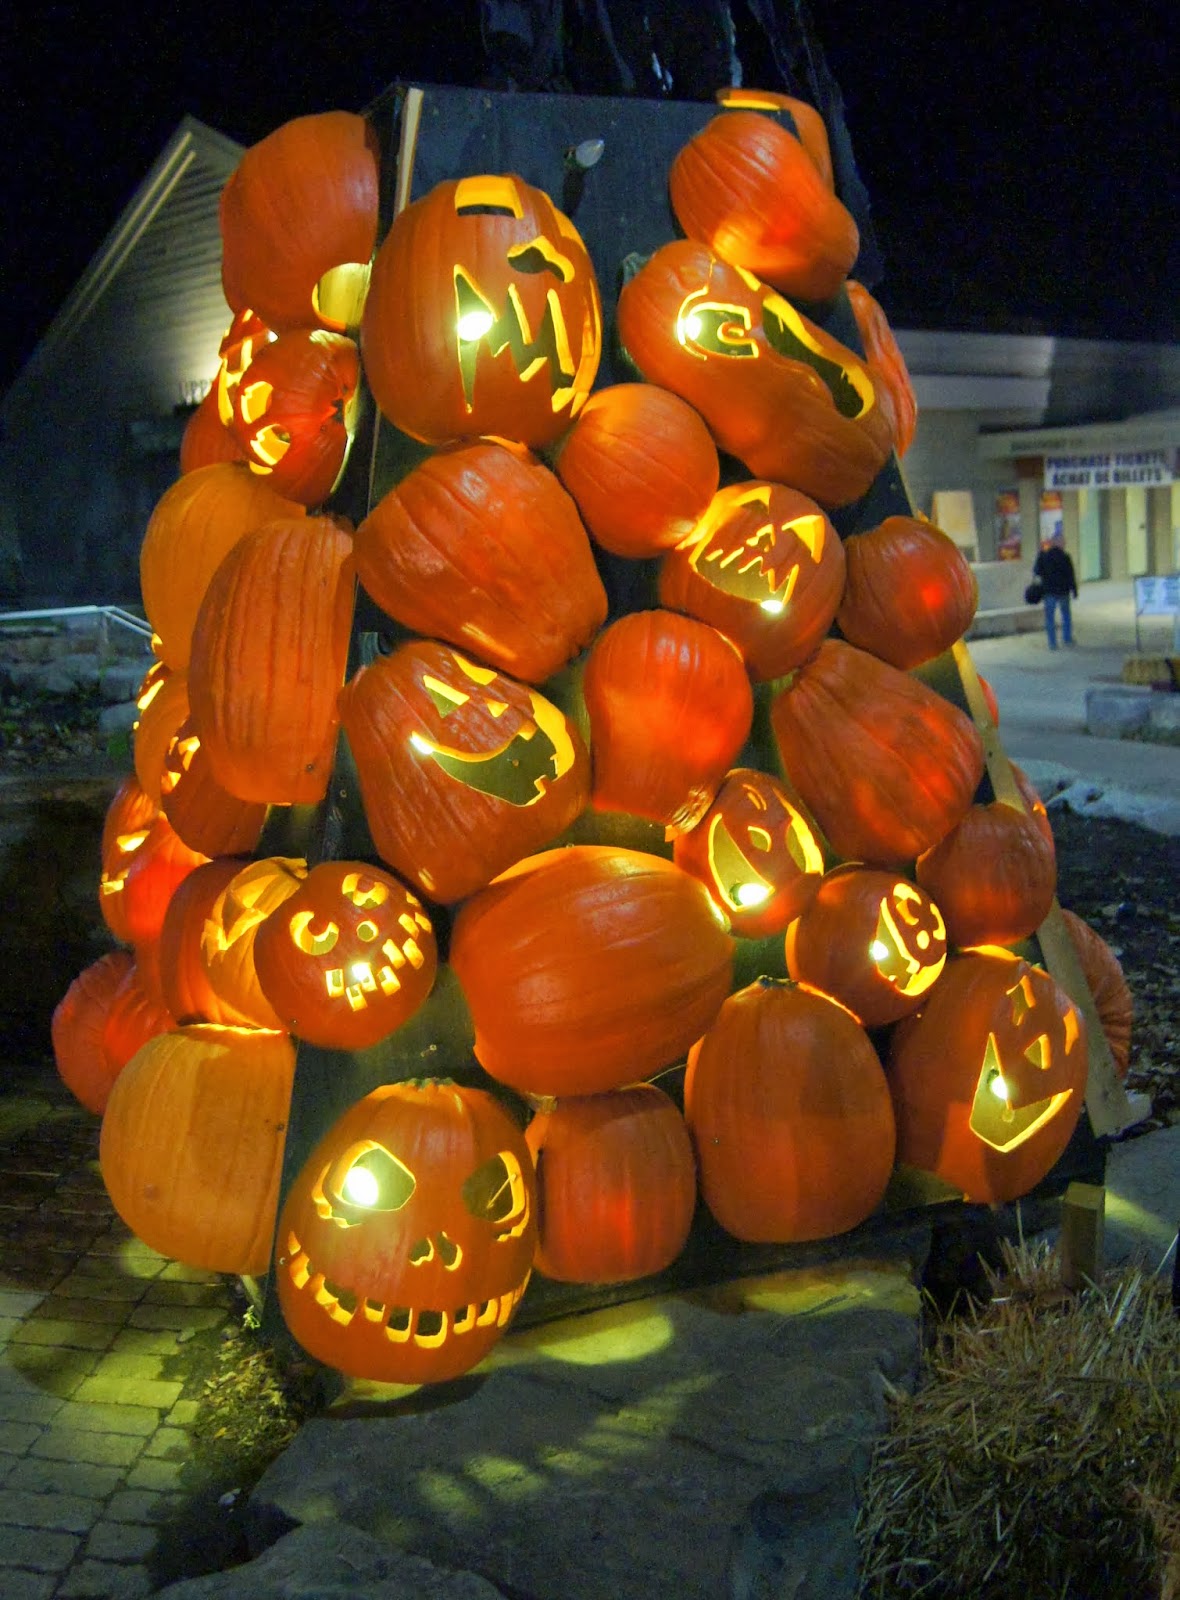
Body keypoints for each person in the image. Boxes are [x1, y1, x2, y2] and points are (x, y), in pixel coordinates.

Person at [1032, 533, 1078, 649]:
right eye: (1063, 541)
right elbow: (1070, 575)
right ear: (1057, 542)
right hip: (1063, 591)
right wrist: (1074, 590)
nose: (1064, 544)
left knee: (1050, 618)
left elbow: (1036, 571)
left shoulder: (1043, 556)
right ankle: (1067, 638)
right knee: (1066, 615)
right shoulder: (1065, 557)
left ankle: (1052, 643)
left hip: (1049, 591)